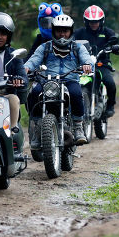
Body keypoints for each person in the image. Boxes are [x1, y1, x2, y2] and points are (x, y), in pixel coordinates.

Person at [24, 14, 93, 146]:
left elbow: (87, 59)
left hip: (70, 80)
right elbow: (33, 60)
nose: (62, 34)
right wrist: (26, 68)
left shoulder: (78, 47)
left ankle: (78, 127)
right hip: (47, 81)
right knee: (34, 92)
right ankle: (37, 127)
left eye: (65, 31)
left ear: (71, 31)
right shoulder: (45, 47)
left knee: (77, 93)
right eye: (59, 30)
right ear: (53, 31)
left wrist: (87, 65)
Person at [73, 5, 119, 117]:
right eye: (91, 21)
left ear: (101, 21)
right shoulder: (79, 33)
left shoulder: (108, 32)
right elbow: (70, 41)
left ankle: (110, 105)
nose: (94, 23)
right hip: (83, 65)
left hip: (101, 64)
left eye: (96, 21)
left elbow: (115, 43)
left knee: (110, 83)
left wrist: (115, 48)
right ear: (86, 21)